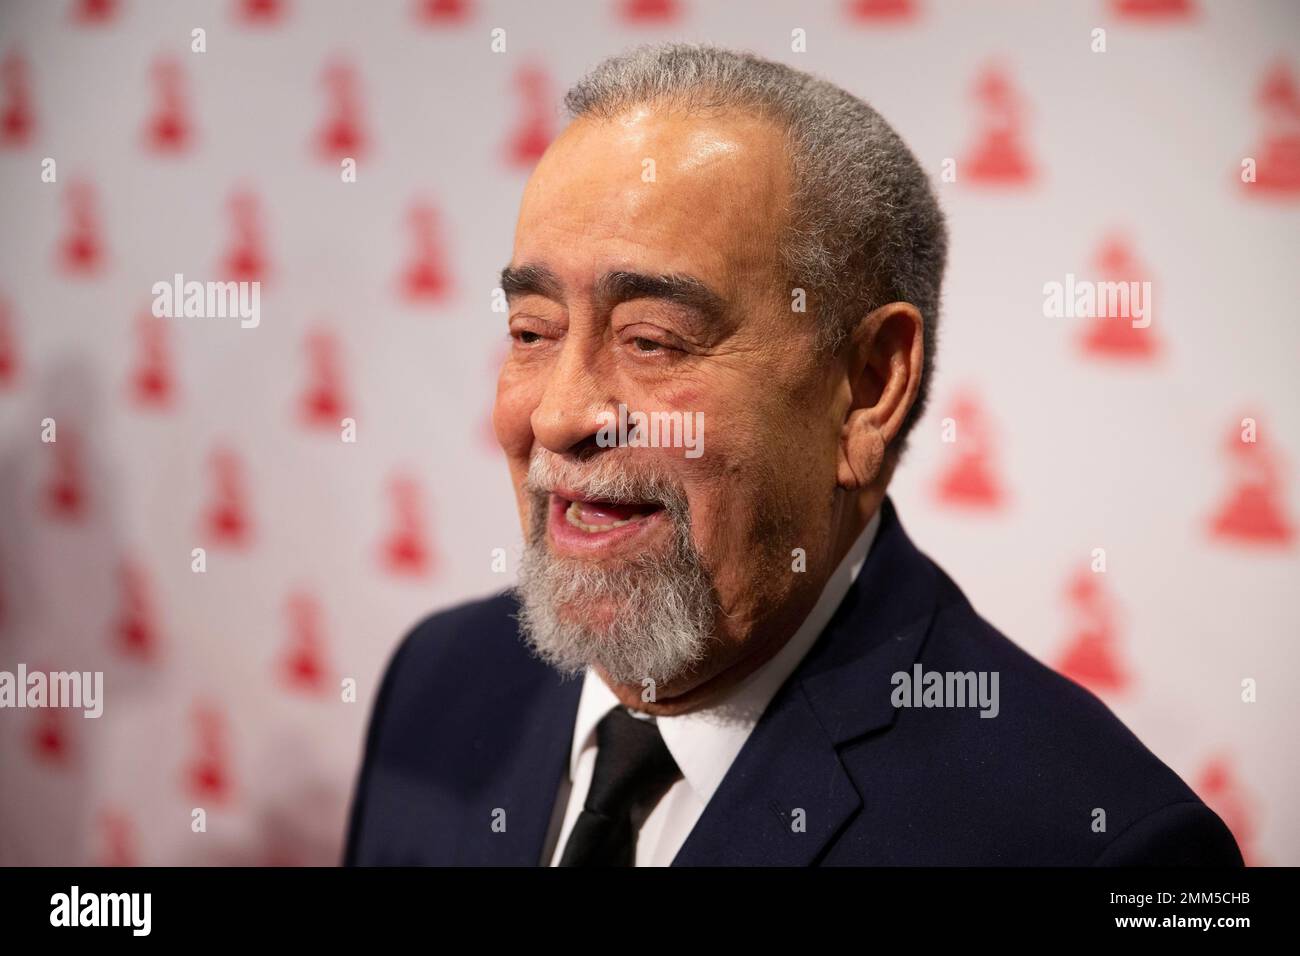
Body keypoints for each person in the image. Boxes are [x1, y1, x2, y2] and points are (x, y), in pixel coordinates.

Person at [344, 43, 1241, 866]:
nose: (560, 415)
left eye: (651, 339)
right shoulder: (440, 684)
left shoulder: (1094, 846)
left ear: (866, 386)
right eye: (532, 331)